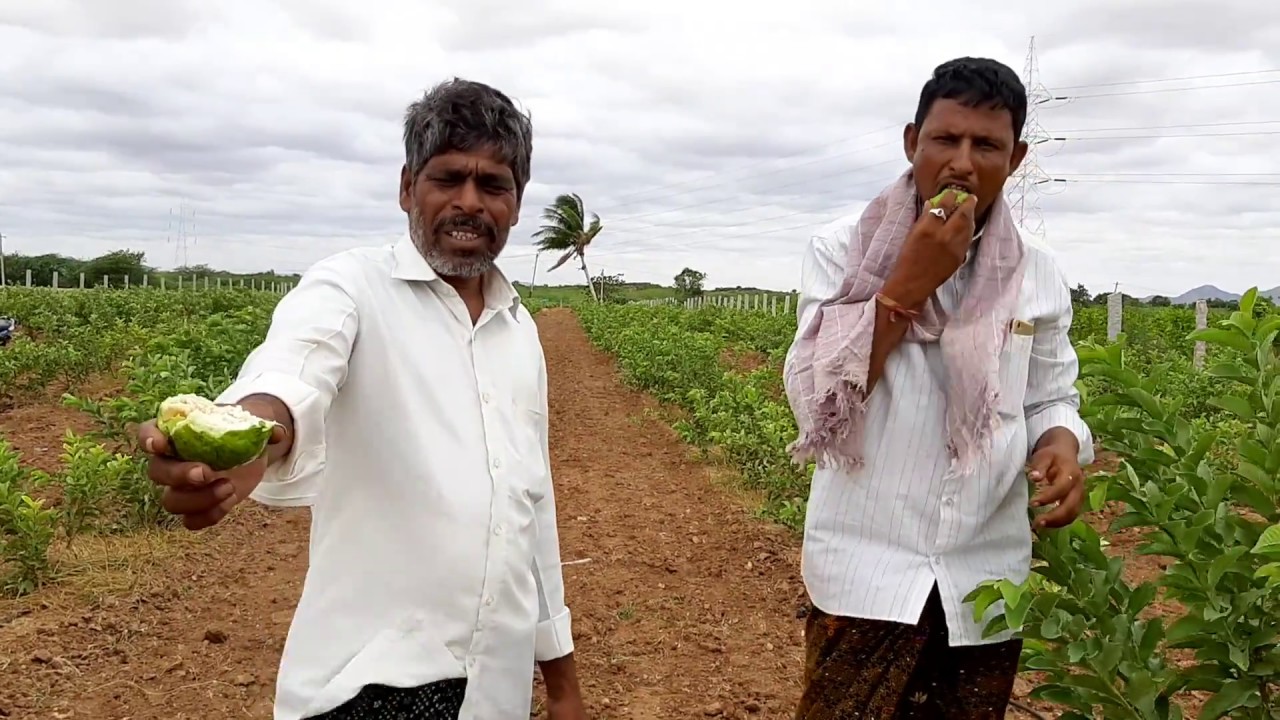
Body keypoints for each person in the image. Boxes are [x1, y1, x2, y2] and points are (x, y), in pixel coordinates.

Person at [137, 78, 587, 720]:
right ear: (407, 187)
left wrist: (562, 684)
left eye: (493, 185)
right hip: (368, 690)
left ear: (516, 203)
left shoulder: (520, 330)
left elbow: (531, 511)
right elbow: (295, 367)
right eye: (447, 178)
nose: (469, 202)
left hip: (497, 689)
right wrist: (254, 429)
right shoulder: (350, 287)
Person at [783, 57, 1094, 718]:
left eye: (987, 146)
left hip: (984, 577)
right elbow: (815, 396)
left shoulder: (1037, 273)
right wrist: (906, 285)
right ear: (910, 143)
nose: (962, 162)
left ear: (1016, 160)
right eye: (944, 140)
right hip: (865, 574)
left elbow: (1050, 397)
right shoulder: (841, 250)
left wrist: (1062, 444)